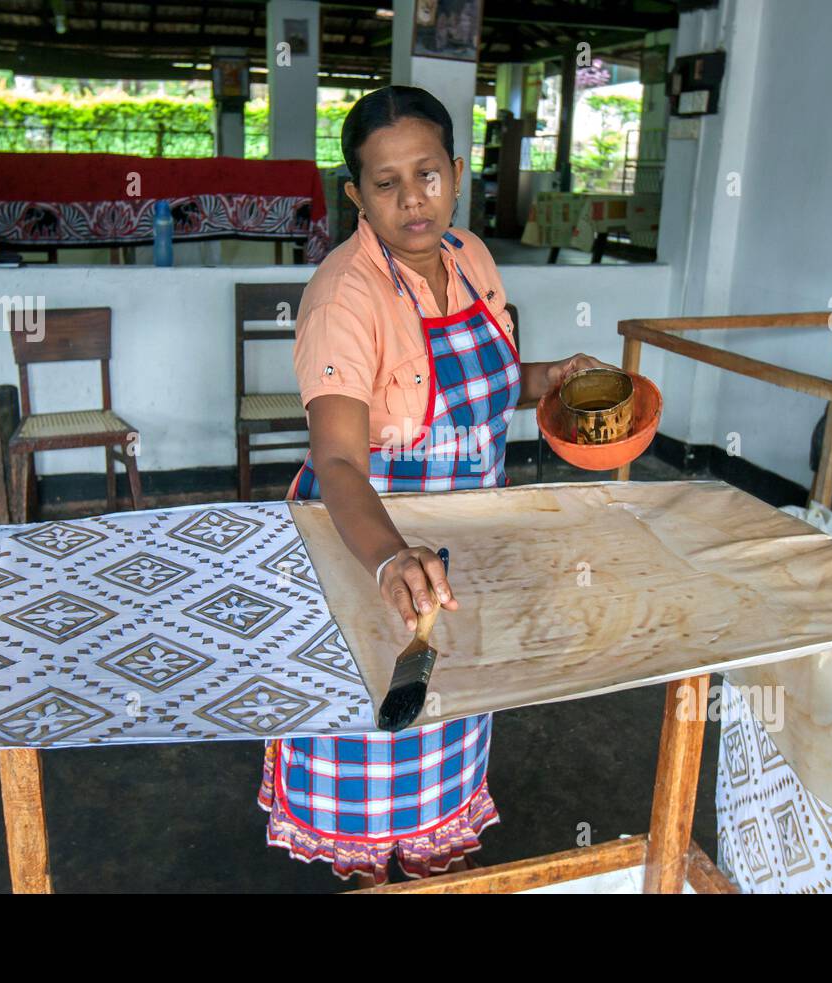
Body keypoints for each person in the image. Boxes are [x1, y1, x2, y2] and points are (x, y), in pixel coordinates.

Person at [257, 84, 614, 887]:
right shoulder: (344, 296)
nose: (411, 199)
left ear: (457, 172)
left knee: (444, 747)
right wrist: (389, 559)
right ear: (355, 194)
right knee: (373, 763)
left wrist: (547, 376)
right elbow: (341, 461)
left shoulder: (471, 257)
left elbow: (484, 381)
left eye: (427, 174)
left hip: (462, 550)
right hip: (366, 548)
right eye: (385, 184)